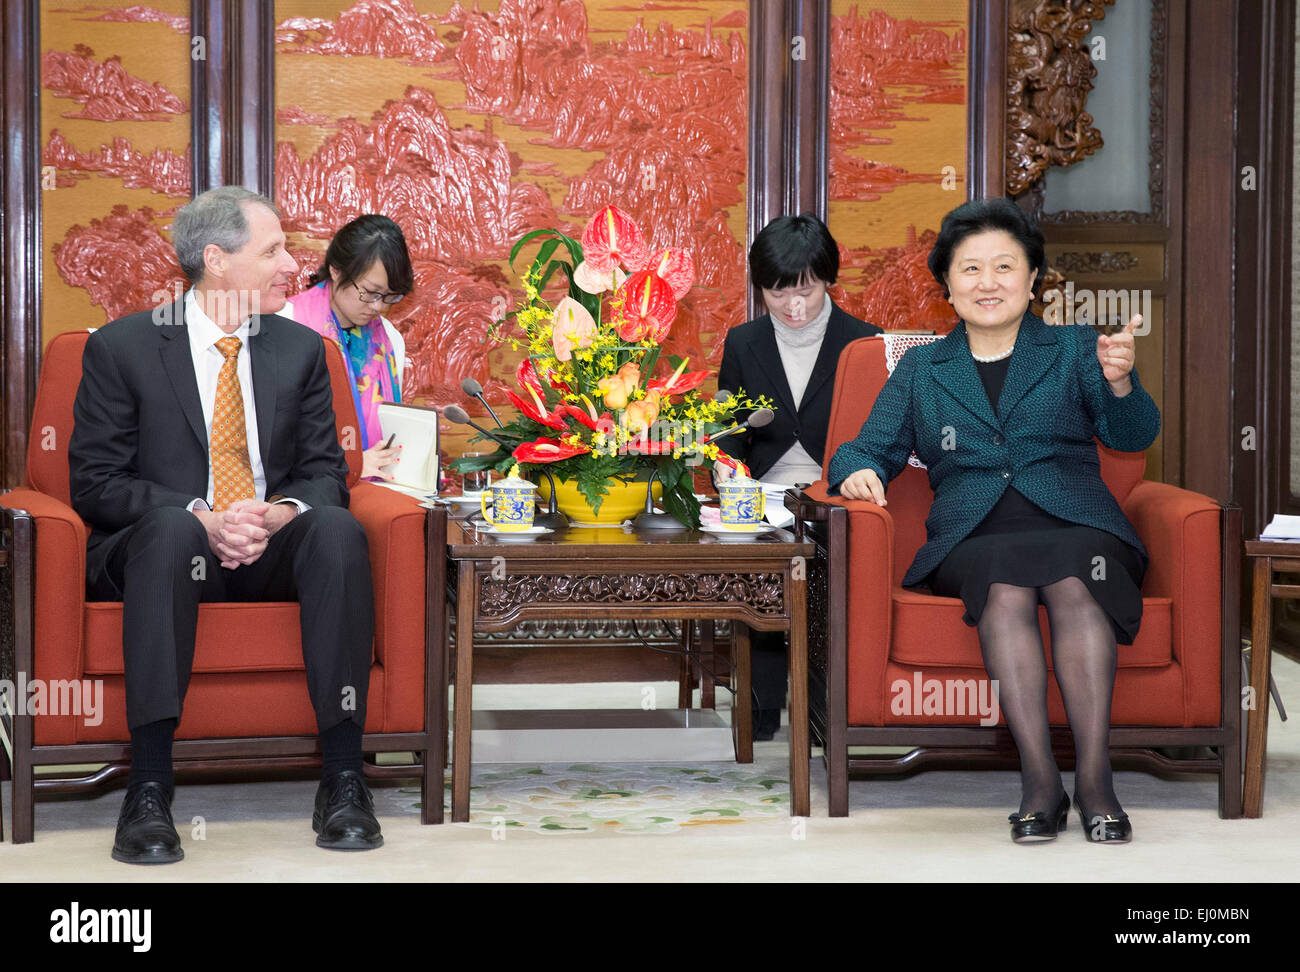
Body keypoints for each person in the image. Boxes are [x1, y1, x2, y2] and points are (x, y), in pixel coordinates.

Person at [828, 197, 1158, 843]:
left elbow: (1132, 434)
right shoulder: (924, 368)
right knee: (1005, 588)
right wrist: (855, 469)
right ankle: (1040, 782)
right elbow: (868, 444)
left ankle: (1095, 782)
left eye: (1005, 266)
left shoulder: (1074, 350)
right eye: (970, 268)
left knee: (1074, 581)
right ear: (947, 285)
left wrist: (1121, 383)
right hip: (976, 531)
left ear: (1033, 278)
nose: (988, 282)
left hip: (1076, 522)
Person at [69, 186, 382, 863]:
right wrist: (201, 516)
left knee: (334, 528)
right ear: (215, 259)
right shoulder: (123, 347)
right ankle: (148, 788)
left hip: (267, 546)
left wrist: (277, 513)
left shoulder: (299, 350)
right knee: (173, 531)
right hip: (168, 548)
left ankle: (345, 778)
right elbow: (95, 483)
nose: (290, 265)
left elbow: (326, 474)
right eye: (271, 250)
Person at [715, 213, 881, 741]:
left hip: (835, 493)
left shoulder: (864, 343)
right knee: (760, 575)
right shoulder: (744, 343)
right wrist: (728, 473)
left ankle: (822, 716)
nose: (793, 307)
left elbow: (878, 438)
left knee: (826, 588)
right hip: (762, 493)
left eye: (805, 292)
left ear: (828, 279)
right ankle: (761, 714)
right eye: (777, 293)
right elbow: (729, 430)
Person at [282, 214, 413, 481]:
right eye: (369, 292)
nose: (378, 306)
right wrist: (351, 464)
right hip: (304, 483)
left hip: (376, 483)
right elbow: (275, 432)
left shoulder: (389, 337)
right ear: (336, 270)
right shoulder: (287, 322)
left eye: (389, 296)